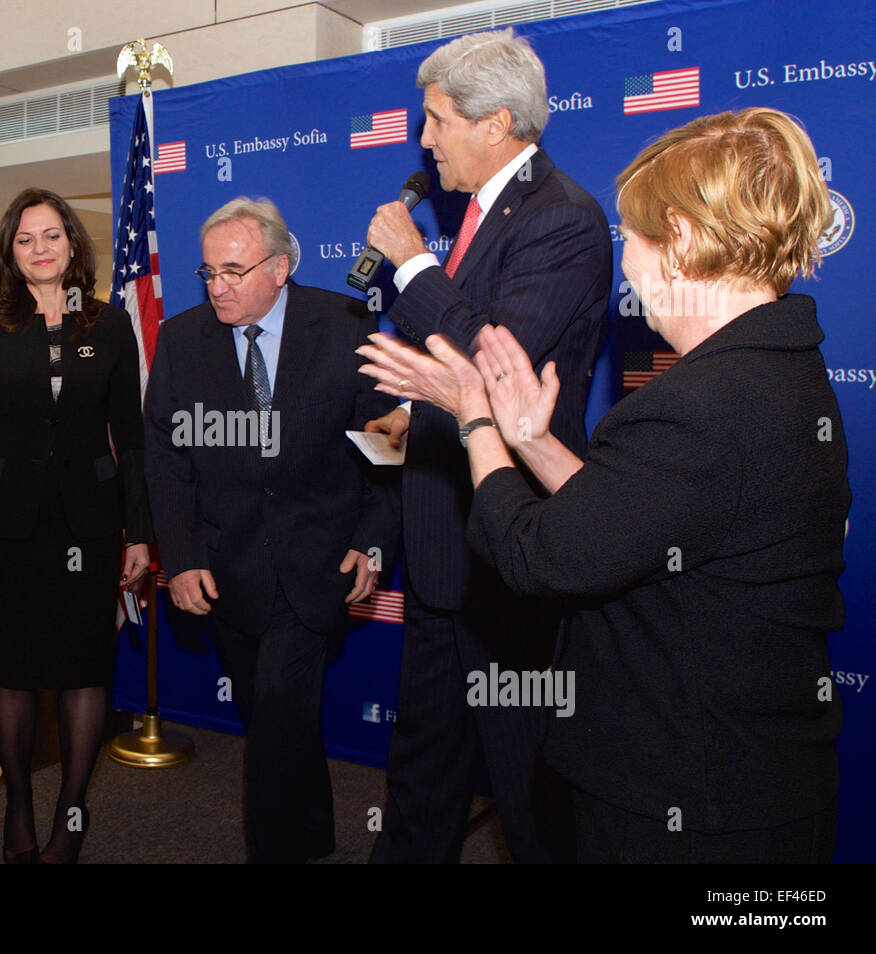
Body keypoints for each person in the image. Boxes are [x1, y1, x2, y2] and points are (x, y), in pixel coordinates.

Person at [357, 107, 847, 863]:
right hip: (748, 783)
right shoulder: (776, 368)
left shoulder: (698, 405)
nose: (628, 266)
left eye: (634, 239)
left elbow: (538, 556)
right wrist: (532, 438)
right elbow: (630, 518)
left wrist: (474, 417)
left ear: (680, 238)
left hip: (688, 800)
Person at [362, 28, 612, 863]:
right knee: (422, 771)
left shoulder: (563, 218)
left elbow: (497, 365)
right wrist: (416, 411)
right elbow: (460, 369)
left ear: (496, 122)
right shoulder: (480, 213)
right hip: (443, 552)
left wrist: (411, 268)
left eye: (437, 120)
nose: (424, 139)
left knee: (526, 784)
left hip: (512, 557)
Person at [144, 198, 400, 863]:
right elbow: (166, 461)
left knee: (279, 712)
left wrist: (372, 541)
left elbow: (385, 446)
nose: (217, 286)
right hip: (226, 567)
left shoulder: (345, 324)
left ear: (280, 267)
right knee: (275, 716)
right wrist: (182, 556)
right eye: (209, 272)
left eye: (234, 271)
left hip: (317, 561)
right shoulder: (181, 339)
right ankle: (313, 834)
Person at [0, 187, 151, 864]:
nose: (40, 249)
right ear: (10, 251)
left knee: (83, 669)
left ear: (72, 243)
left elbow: (131, 439)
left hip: (89, 527)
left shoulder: (110, 324)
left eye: (52, 235)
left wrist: (139, 531)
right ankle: (17, 803)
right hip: (6, 533)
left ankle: (72, 809)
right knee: (10, 672)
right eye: (25, 238)